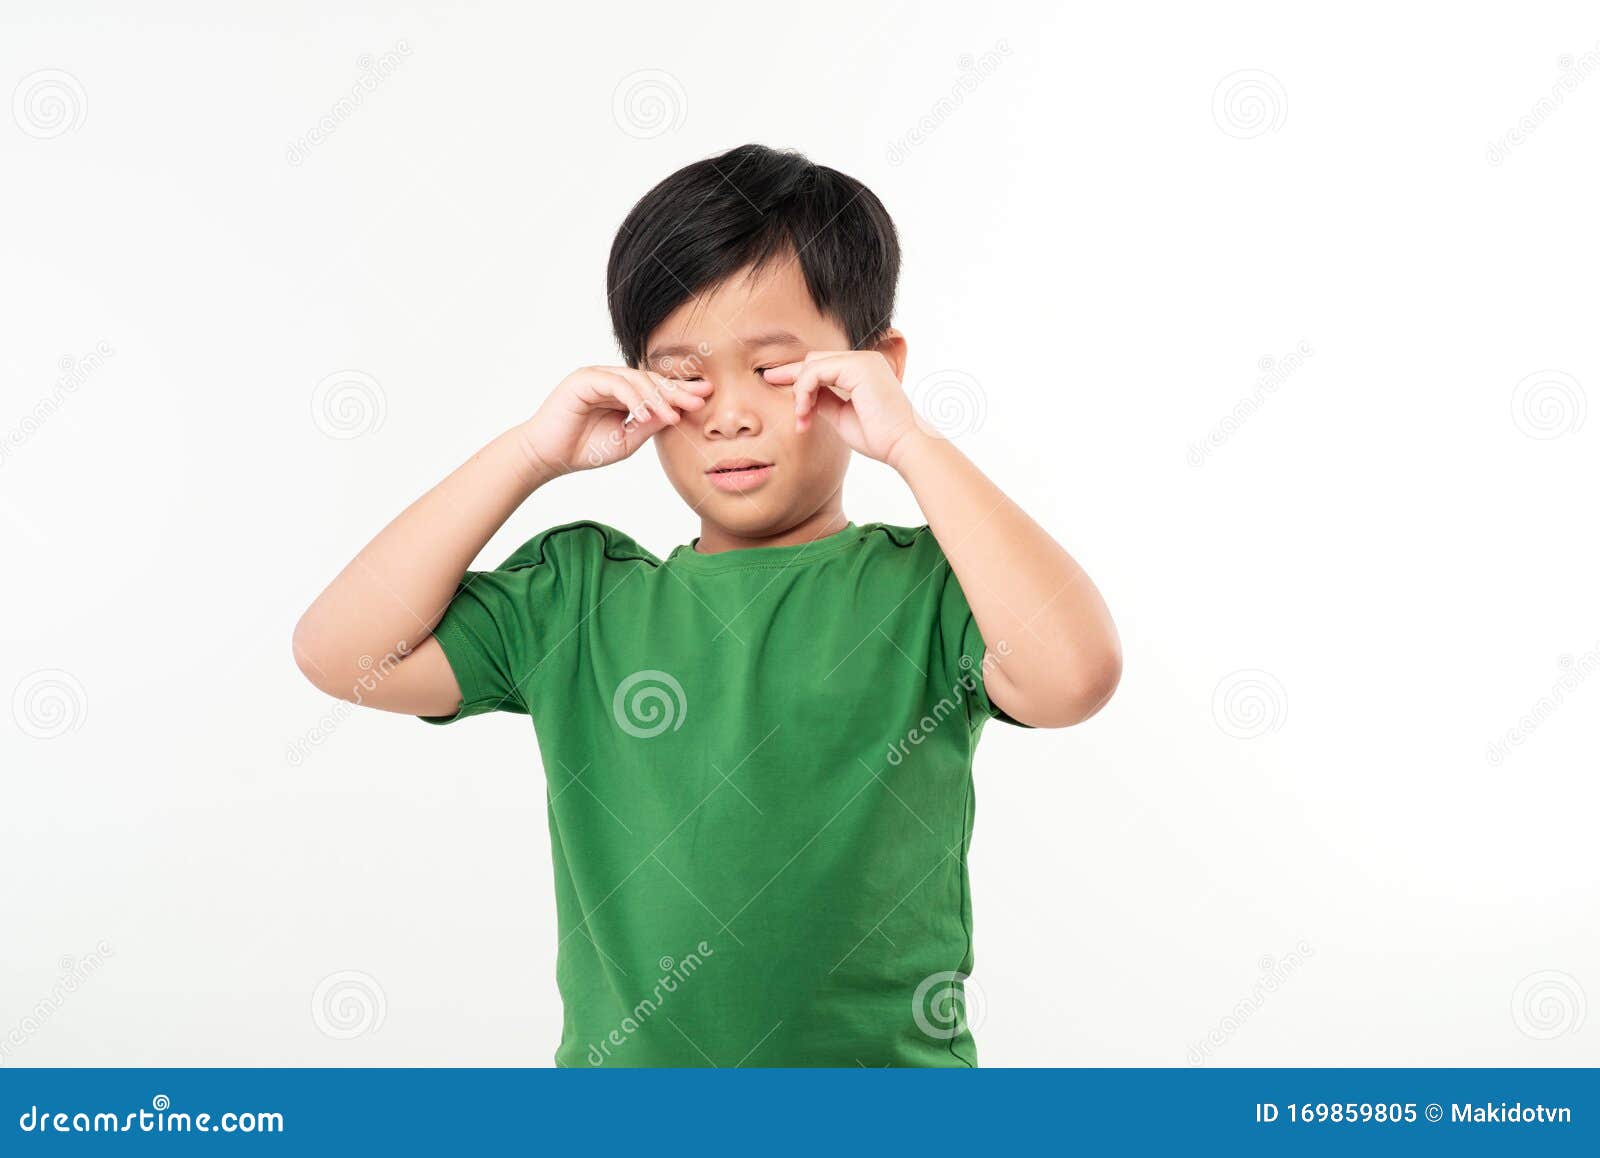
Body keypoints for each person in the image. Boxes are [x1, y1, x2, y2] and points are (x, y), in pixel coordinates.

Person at [293, 143, 1121, 1066]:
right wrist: (529, 453)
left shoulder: (932, 588)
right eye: (684, 374)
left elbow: (1072, 678)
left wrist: (912, 441)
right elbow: (340, 653)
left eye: (773, 369)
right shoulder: (578, 598)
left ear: (872, 365)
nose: (727, 414)